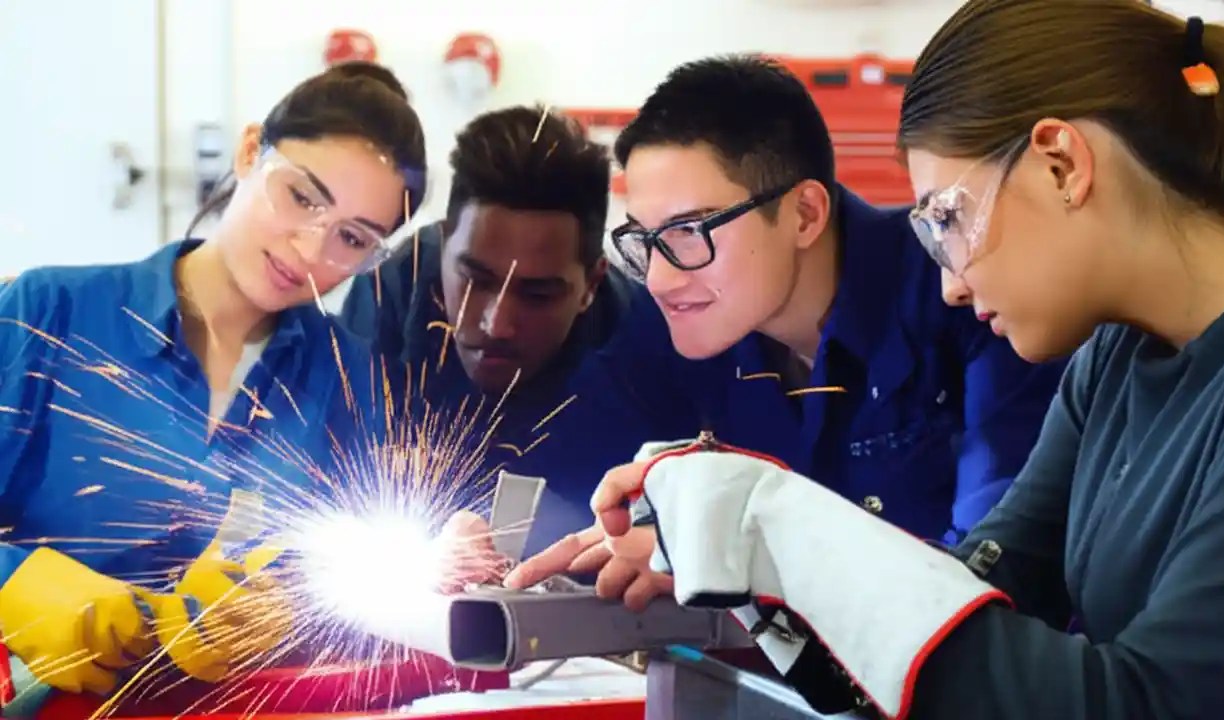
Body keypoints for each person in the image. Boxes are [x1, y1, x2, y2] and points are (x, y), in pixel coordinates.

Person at [531, 4, 1224, 718]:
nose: (951, 282)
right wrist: (746, 579)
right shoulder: (1115, 360)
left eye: (950, 218)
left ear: (1061, 164)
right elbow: (985, 591)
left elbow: (1154, 707)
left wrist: (777, 526)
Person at [507, 55, 1064, 607]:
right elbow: (553, 473)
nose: (658, 277)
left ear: (803, 214)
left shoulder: (964, 295)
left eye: (688, 232)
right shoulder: (679, 318)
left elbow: (991, 578)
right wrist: (484, 536)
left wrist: (744, 561)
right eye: (644, 239)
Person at [0, 62, 428, 706]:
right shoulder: (46, 312)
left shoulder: (353, 382)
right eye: (302, 197)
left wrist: (289, 608)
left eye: (353, 238)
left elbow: (365, 602)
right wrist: (14, 584)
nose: (311, 251)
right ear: (251, 150)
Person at [341, 105, 688, 556]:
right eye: (476, 280)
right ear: (444, 246)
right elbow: (327, 474)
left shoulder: (644, 348)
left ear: (591, 284)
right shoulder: (390, 294)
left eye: (538, 294)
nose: (496, 324)